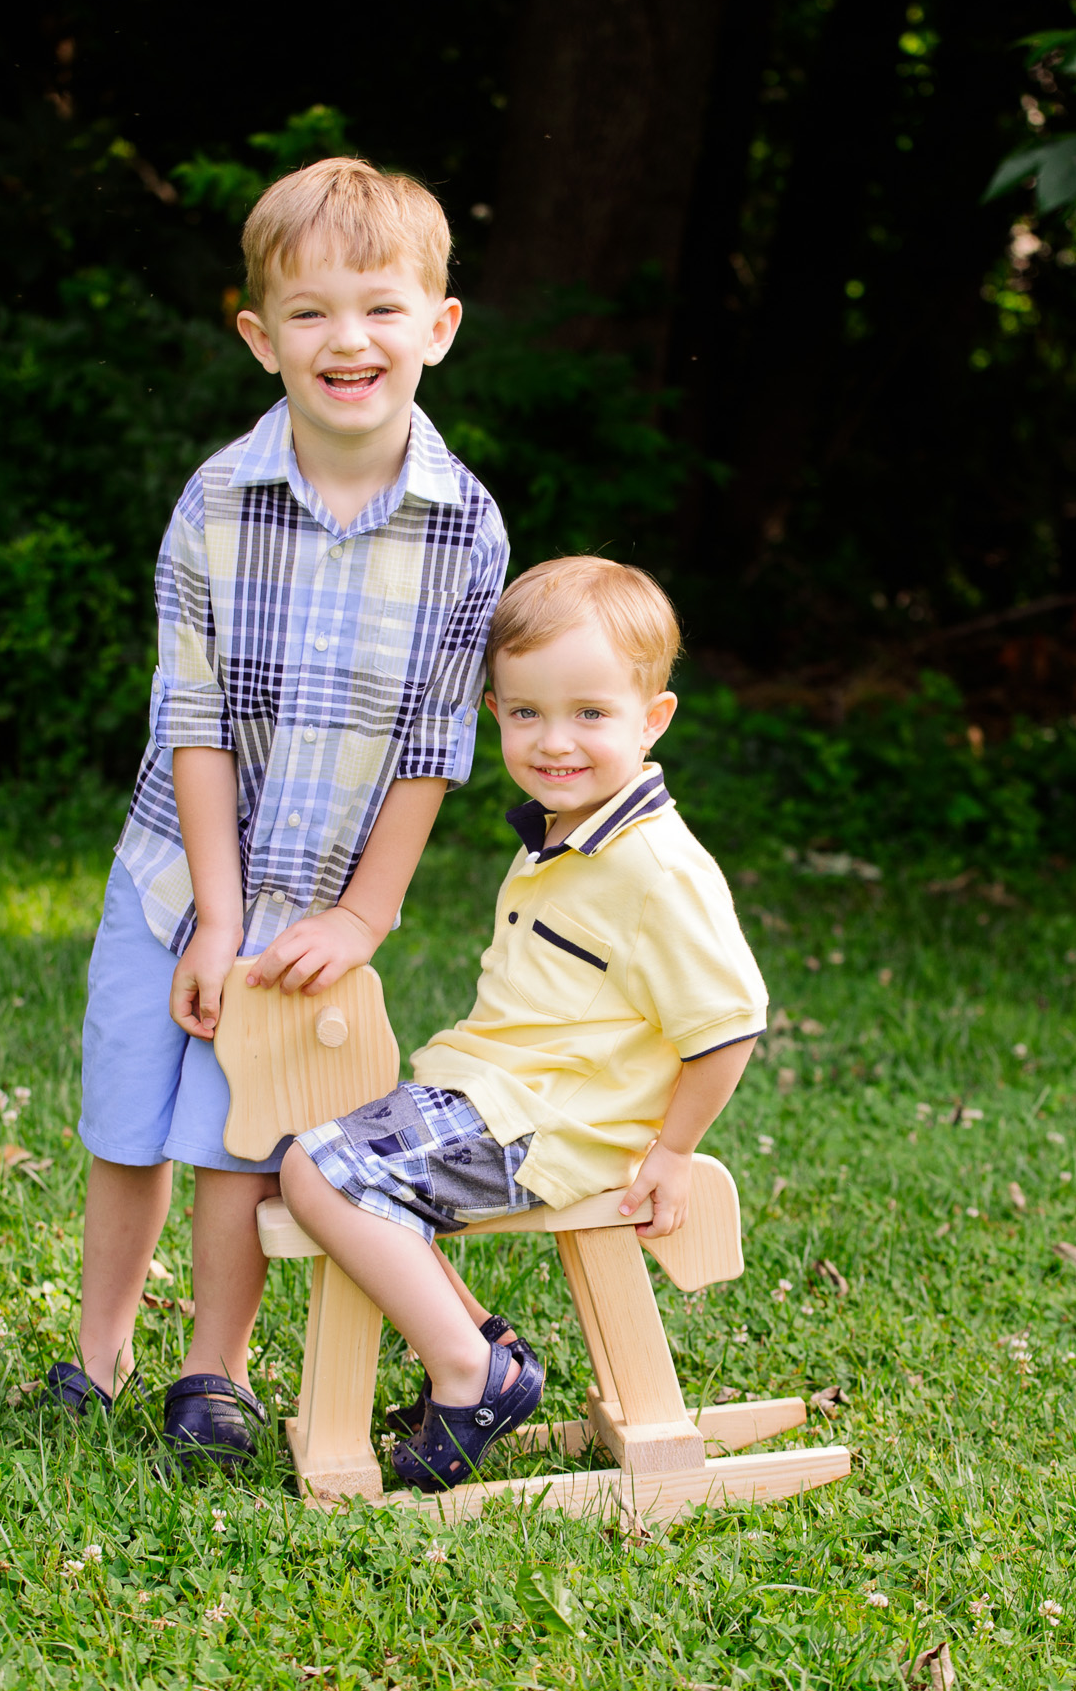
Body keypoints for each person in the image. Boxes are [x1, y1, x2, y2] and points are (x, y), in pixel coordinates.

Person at [49, 157, 508, 1473]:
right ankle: (99, 1349)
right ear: (259, 338)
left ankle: (216, 1369)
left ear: (437, 327)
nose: (345, 340)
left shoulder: (463, 531)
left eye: (378, 308)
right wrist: (214, 912)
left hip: (316, 902)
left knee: (242, 1140)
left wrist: (364, 915)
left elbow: (433, 743)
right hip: (171, 881)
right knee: (132, 1122)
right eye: (307, 313)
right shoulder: (214, 503)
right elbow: (188, 717)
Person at [281, 556, 769, 1491]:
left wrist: (669, 1153)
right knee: (329, 1149)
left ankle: (468, 1374)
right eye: (525, 713)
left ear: (651, 717)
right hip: (502, 1094)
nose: (555, 741)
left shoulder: (653, 868)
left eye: (591, 713)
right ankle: (487, 1348)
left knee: (318, 1168)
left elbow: (727, 1024)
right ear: (493, 712)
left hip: (549, 1124)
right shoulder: (563, 830)